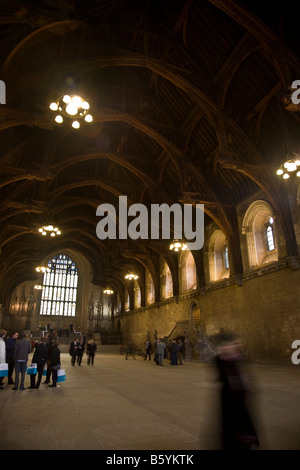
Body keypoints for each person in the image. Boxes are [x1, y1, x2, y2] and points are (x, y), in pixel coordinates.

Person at [215, 333, 259, 450]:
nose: (238, 345)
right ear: (227, 345)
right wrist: (223, 352)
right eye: (235, 343)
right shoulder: (224, 362)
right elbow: (219, 366)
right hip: (232, 409)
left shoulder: (237, 360)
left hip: (240, 408)